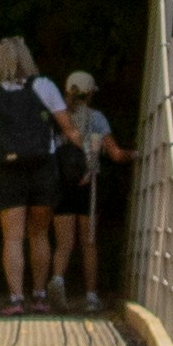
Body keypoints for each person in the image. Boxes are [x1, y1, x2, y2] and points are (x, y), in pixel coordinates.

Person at [0, 36, 61, 309]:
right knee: (39, 233)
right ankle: (39, 296)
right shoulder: (44, 86)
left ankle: (15, 299)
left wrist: (6, 152)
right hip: (42, 166)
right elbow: (67, 125)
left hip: (8, 170)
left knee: (12, 237)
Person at [52, 71, 129, 309]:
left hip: (62, 184)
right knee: (89, 243)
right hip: (90, 186)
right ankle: (91, 297)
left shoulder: (59, 119)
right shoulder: (97, 118)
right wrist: (136, 154)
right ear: (91, 93)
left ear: (67, 92)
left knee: (64, 242)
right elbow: (115, 154)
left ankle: (57, 281)